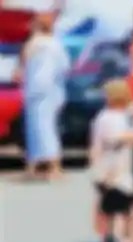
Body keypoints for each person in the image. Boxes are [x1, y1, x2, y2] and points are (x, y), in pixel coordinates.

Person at [89, 80, 133, 242]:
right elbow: (113, 138)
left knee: (117, 204)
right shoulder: (107, 118)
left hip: (117, 166)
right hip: (113, 166)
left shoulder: (120, 115)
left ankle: (113, 235)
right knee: (119, 205)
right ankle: (116, 236)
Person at [18, 10, 70, 181]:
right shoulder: (56, 44)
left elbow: (24, 63)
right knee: (45, 128)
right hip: (52, 91)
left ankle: (46, 166)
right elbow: (65, 67)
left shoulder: (35, 43)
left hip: (37, 90)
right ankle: (45, 166)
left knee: (39, 129)